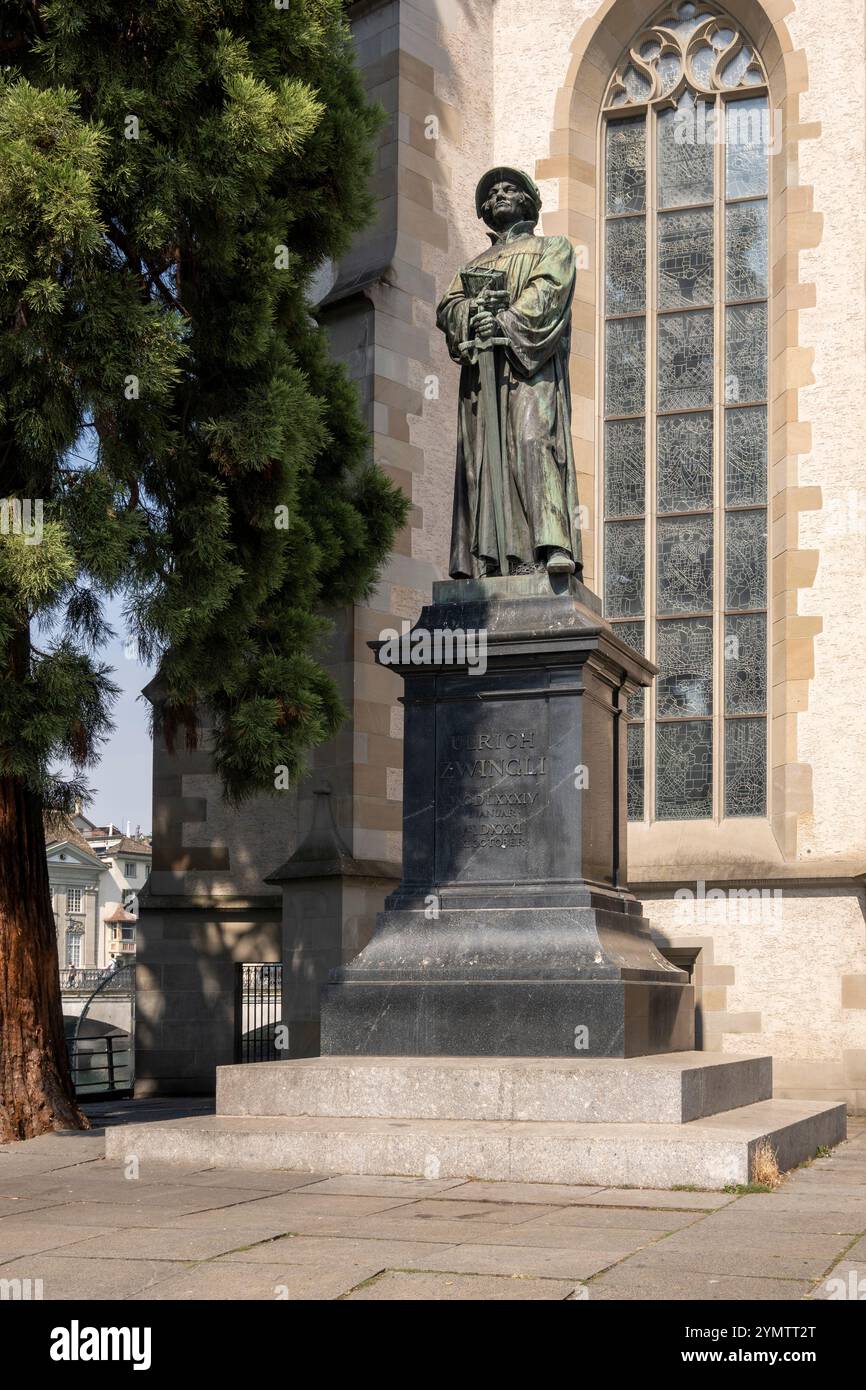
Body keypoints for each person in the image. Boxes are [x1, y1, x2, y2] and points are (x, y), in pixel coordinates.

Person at [437, 166, 583, 579]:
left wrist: (503, 322)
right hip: (483, 381)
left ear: (529, 201)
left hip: (530, 371)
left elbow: (549, 293)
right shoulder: (472, 265)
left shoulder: (552, 247)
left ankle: (552, 544)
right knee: (482, 459)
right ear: (485, 207)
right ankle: (490, 559)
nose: (500, 194)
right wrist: (471, 316)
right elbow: (447, 310)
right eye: (493, 191)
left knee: (535, 439)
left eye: (511, 188)